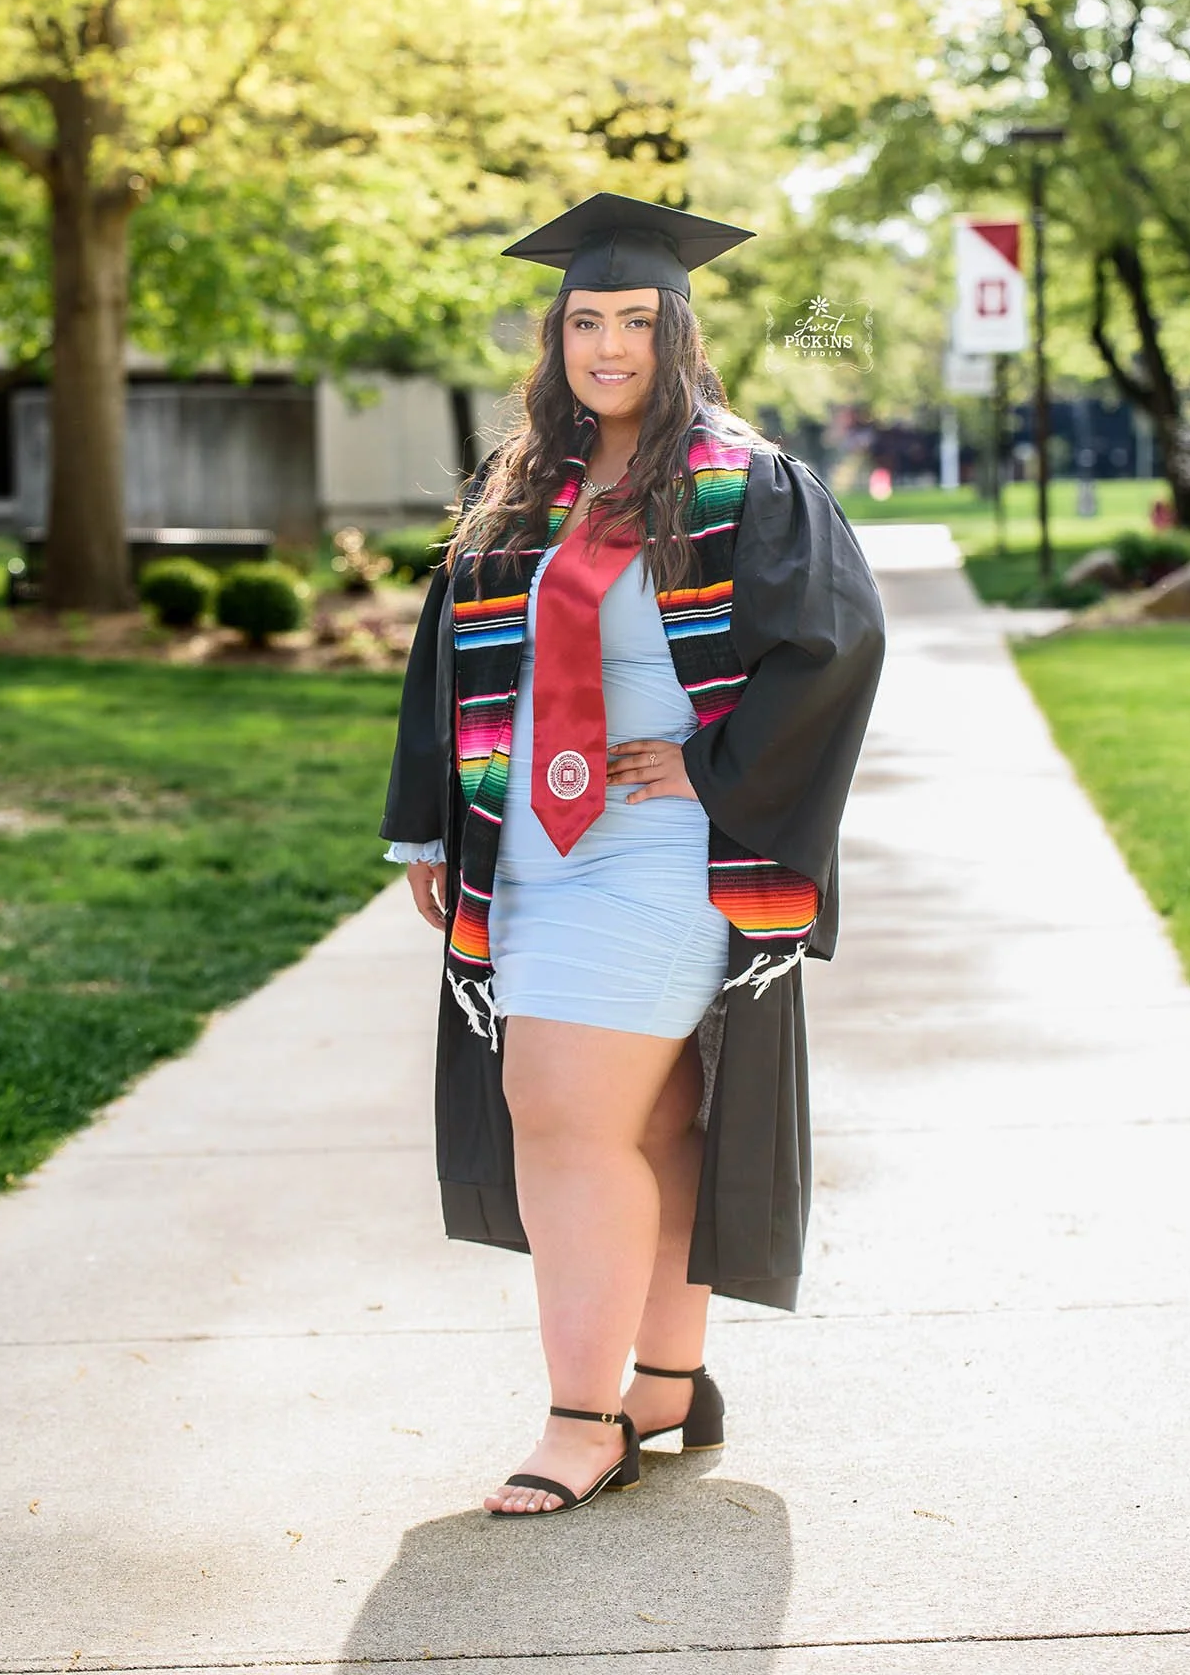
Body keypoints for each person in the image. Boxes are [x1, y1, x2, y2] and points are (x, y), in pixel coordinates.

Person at [380, 192, 885, 1517]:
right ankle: (665, 1382)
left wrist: (713, 771)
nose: (608, 346)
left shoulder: (741, 482)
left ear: (681, 331)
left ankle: (579, 1419)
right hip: (532, 847)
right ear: (553, 338)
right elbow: (452, 667)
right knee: (648, 1119)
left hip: (663, 849)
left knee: (555, 1105)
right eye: (584, 320)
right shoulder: (525, 489)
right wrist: (430, 818)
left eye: (636, 320)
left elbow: (833, 647)